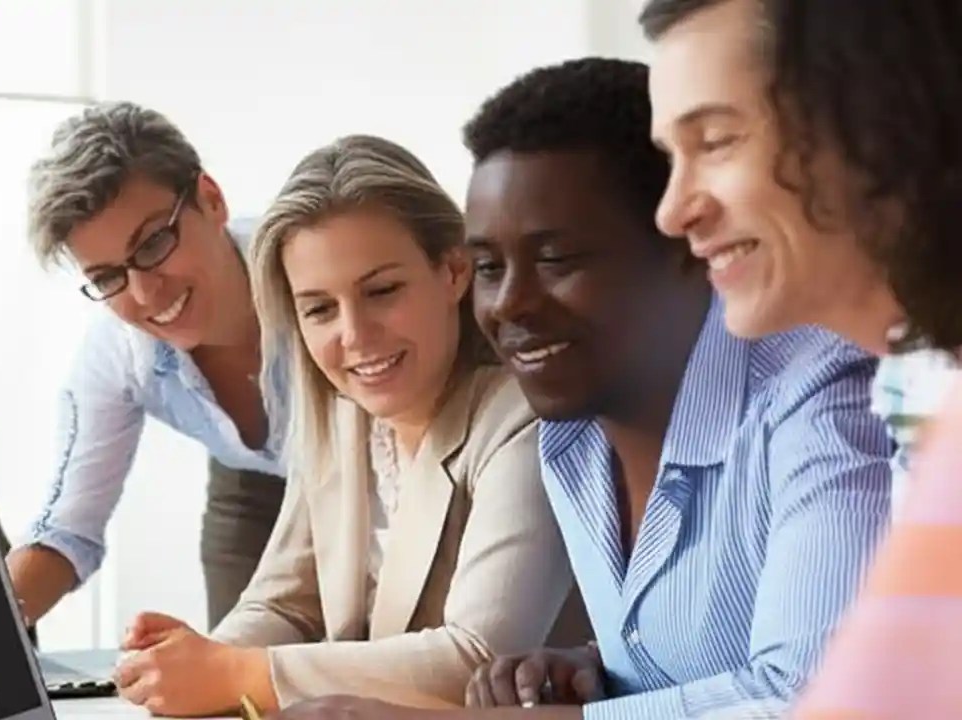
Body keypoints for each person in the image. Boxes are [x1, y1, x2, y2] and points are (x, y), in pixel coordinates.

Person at [266, 58, 892, 720]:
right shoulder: (572, 441)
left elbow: (816, 699)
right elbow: (701, 664)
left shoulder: (825, 398)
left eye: (556, 259)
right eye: (488, 267)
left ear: (683, 245)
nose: (509, 305)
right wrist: (595, 670)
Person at [111, 134, 584, 718]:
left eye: (382, 291)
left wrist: (237, 672)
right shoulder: (339, 414)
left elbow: (479, 657)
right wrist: (192, 662)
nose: (354, 336)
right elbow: (285, 605)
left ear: (453, 271)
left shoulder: (526, 420)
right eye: (319, 309)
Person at [637, 1, 962, 716]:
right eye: (671, 157)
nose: (671, 209)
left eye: (717, 141)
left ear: (878, 124)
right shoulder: (913, 385)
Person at [11, 102, 287, 629]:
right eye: (108, 276)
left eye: (155, 244)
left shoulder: (313, 276)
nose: (145, 293)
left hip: (386, 469)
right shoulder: (117, 351)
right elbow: (67, 528)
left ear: (211, 200)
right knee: (236, 688)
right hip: (252, 482)